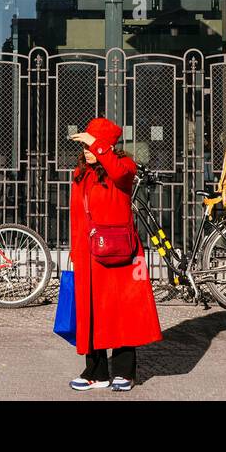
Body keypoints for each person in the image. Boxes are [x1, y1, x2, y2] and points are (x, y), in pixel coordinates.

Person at [68, 117, 162, 391]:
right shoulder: (81, 173)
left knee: (123, 311)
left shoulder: (124, 167)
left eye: (92, 143)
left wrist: (97, 146)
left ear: (106, 144)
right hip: (88, 253)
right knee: (90, 312)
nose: (87, 150)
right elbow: (76, 215)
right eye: (85, 144)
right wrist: (75, 251)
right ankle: (95, 372)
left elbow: (119, 174)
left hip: (121, 252)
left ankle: (124, 371)